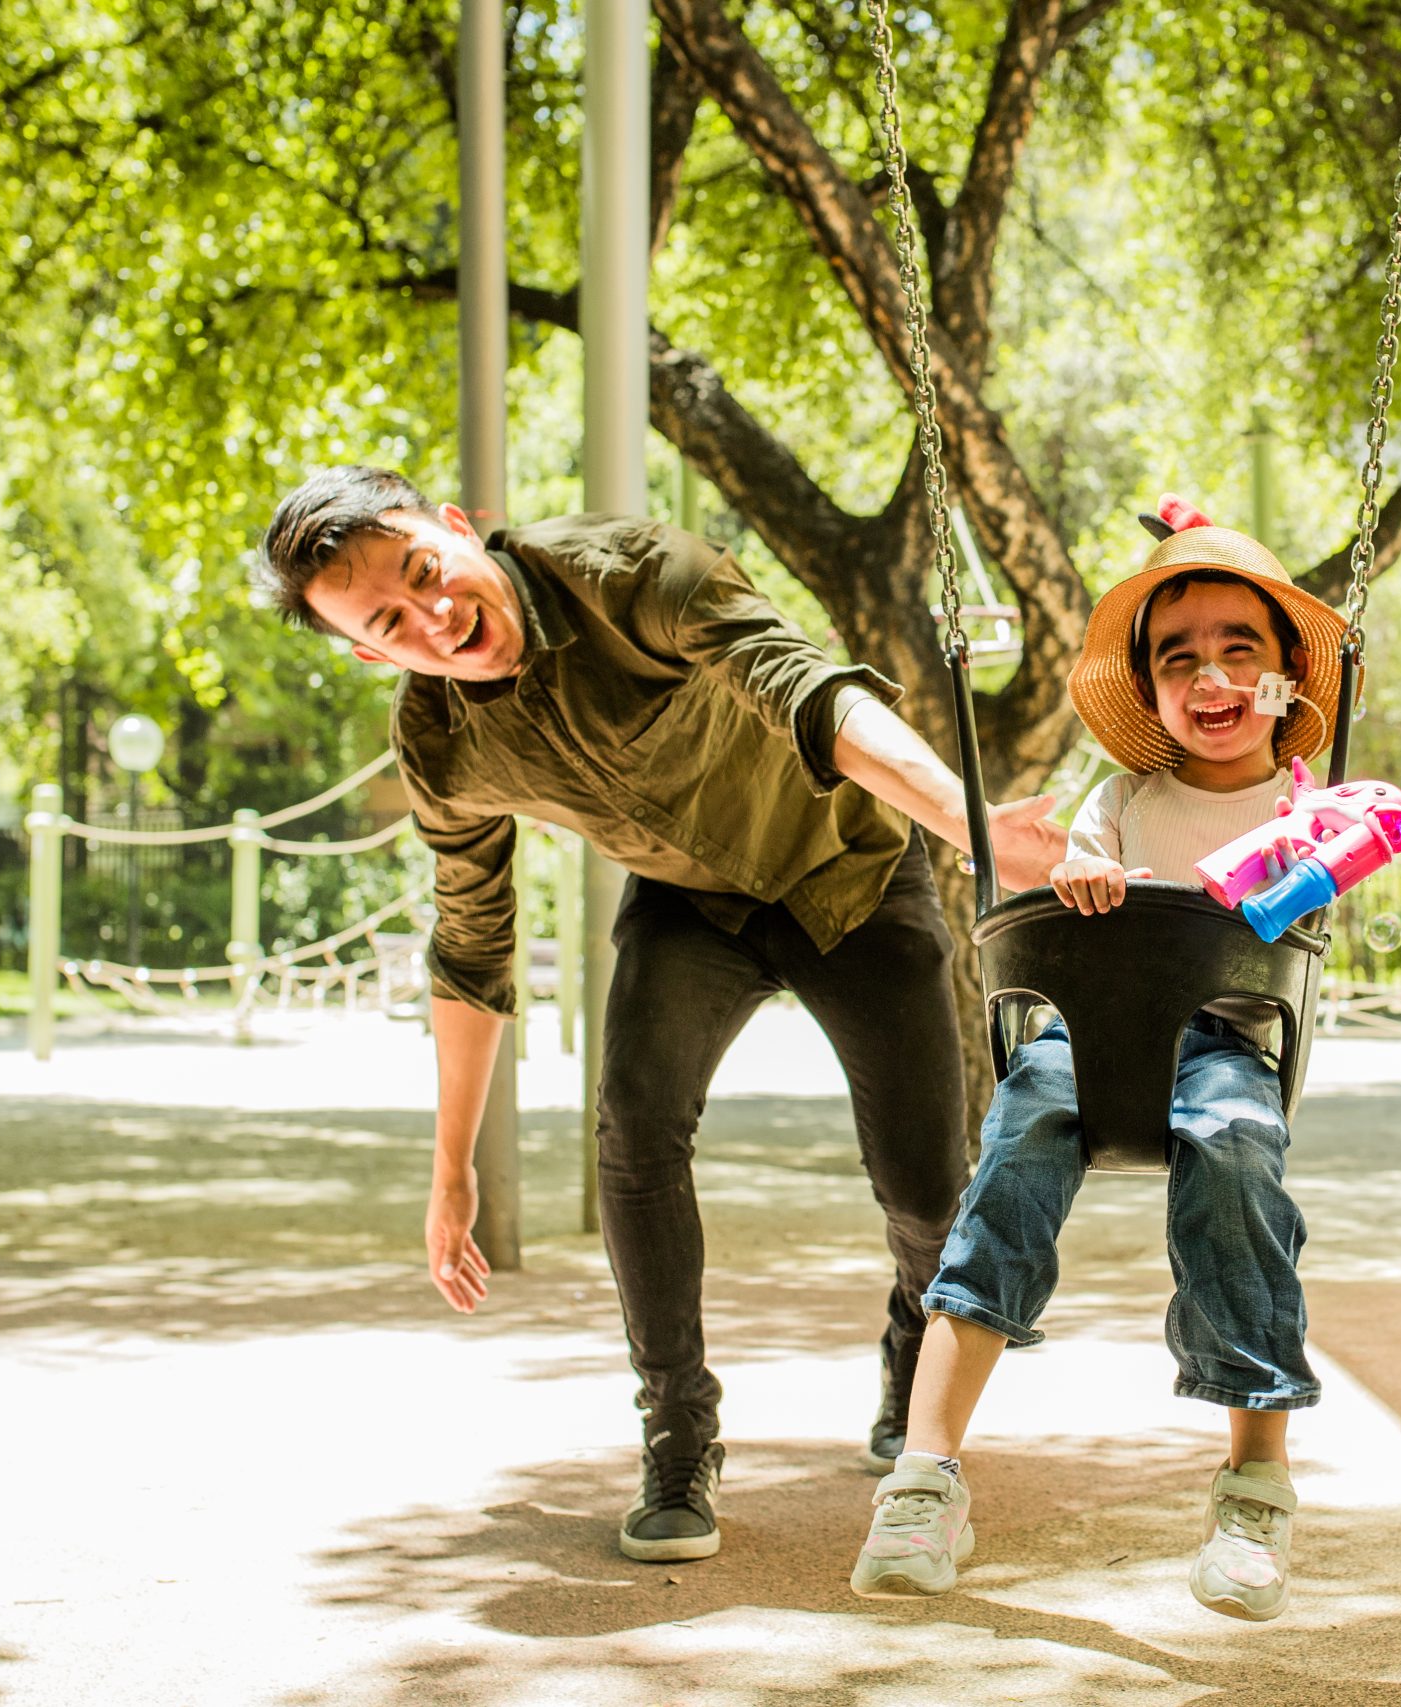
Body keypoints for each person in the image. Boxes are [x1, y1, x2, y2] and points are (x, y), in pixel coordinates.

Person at [252, 467, 1066, 1564]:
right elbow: (473, 945)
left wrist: (973, 823)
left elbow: (805, 688)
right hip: (691, 908)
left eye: (424, 571)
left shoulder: (630, 571)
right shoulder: (441, 745)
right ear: (370, 654)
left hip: (850, 871)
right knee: (633, 1132)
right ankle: (678, 1433)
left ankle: (914, 1348)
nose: (434, 615)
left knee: (925, 1189)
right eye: (390, 622)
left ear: (454, 527)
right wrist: (451, 1173)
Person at [847, 497, 1338, 1621]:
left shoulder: (1306, 805)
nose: (1210, 677)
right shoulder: (1119, 801)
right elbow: (1073, 875)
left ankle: (1254, 1493)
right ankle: (923, 1481)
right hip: (1086, 1035)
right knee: (1011, 1160)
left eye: (1239, 650)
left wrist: (1317, 849)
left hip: (1223, 1046)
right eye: (1178, 658)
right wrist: (1082, 875)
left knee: (1235, 1155)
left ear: (1284, 680)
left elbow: (1322, 878)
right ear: (1152, 690)